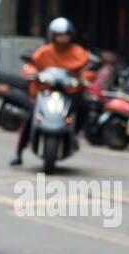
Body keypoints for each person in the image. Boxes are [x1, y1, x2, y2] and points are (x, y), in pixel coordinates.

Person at [10, 17, 90, 167]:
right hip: (46, 92)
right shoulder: (44, 52)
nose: (62, 38)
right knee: (30, 117)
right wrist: (32, 73)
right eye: (59, 35)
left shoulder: (78, 52)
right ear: (52, 35)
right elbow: (32, 66)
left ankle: (74, 134)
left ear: (71, 35)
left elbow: (87, 70)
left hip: (69, 93)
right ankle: (19, 152)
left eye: (65, 34)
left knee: (85, 108)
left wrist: (85, 78)